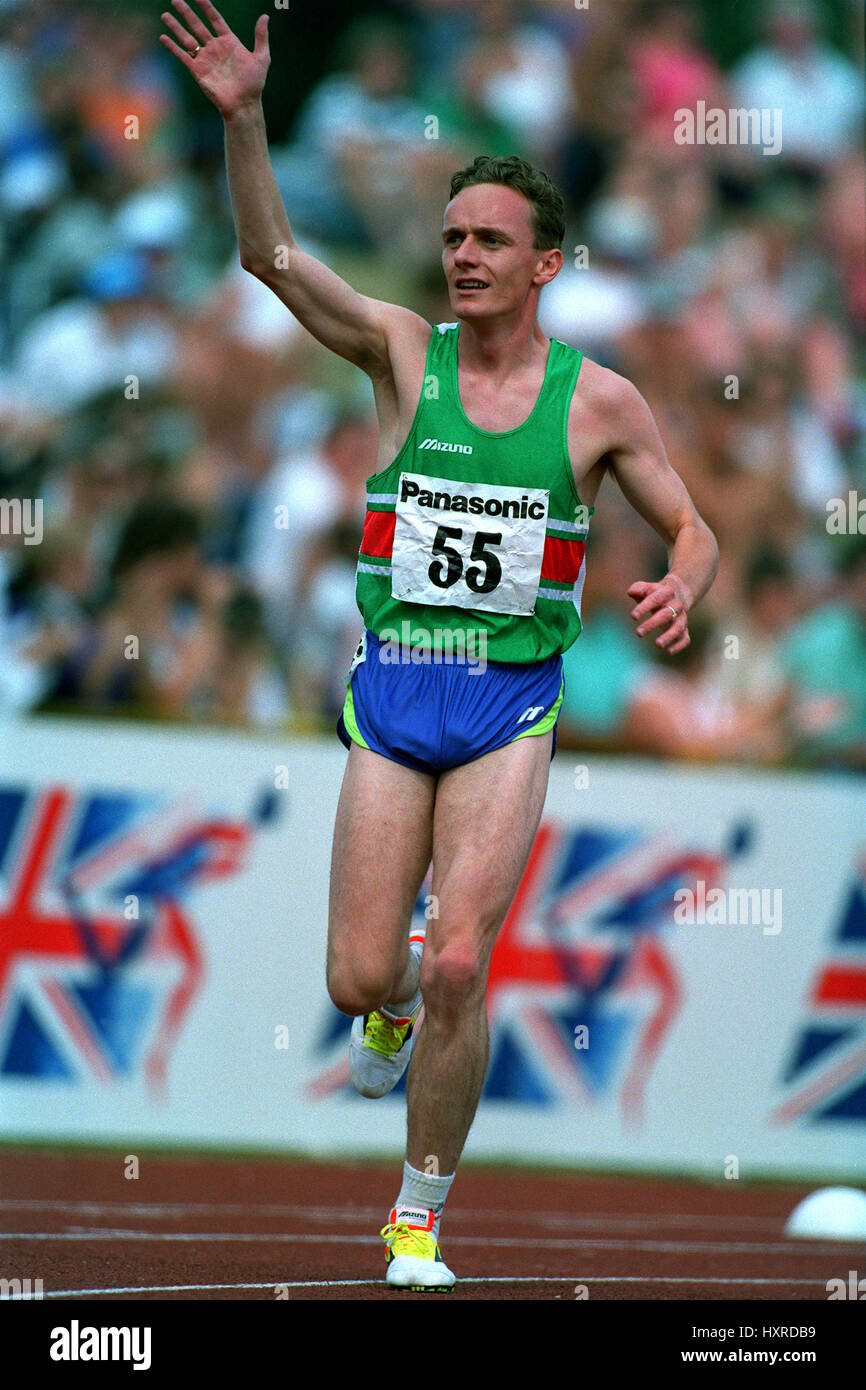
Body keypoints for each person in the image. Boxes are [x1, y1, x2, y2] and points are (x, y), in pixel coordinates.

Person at [160, 1, 718, 1292]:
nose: (461, 256)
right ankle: (389, 1009)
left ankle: (415, 1218)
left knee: (459, 950)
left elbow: (688, 526)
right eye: (453, 235)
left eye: (489, 241)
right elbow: (274, 260)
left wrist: (680, 587)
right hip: (393, 683)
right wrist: (246, 120)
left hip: (507, 697)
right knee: (368, 967)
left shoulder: (599, 401)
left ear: (545, 265)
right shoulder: (403, 354)